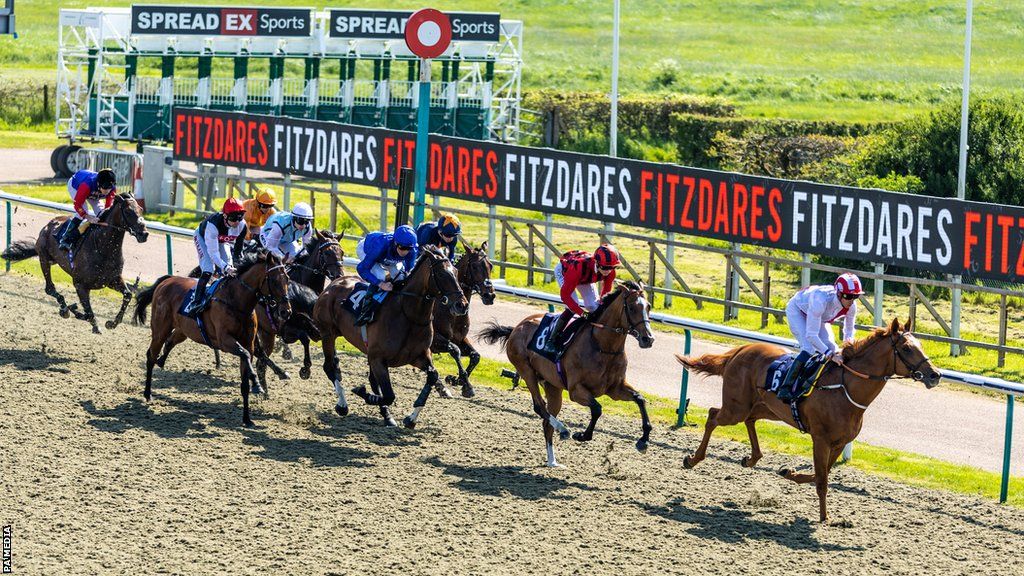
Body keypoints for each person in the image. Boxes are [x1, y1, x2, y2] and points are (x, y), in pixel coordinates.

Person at [778, 272, 863, 401]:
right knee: (809, 348)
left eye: (855, 296)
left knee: (832, 346)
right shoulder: (820, 300)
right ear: (839, 293)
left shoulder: (852, 306)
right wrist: (831, 355)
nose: (851, 301)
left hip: (819, 317)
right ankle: (785, 387)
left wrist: (847, 348)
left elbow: (849, 331)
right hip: (798, 311)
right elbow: (811, 335)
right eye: (848, 296)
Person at [541, 244, 620, 356]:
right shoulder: (577, 268)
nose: (609, 271)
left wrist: (601, 305)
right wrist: (582, 313)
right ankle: (551, 341)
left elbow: (605, 293)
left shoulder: (610, 272)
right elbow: (565, 296)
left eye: (612, 267)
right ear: (597, 263)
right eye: (606, 267)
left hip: (585, 276)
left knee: (593, 306)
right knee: (573, 306)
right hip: (566, 272)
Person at [185, 198, 249, 314]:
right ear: (225, 216)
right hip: (203, 239)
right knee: (209, 268)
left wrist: (234, 267)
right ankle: (195, 301)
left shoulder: (242, 226)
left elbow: (238, 252)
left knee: (230, 269)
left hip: (221, 240)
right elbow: (213, 253)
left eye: (240, 218)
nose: (237, 222)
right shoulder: (212, 225)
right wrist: (225, 267)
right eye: (233, 218)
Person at [354, 224, 418, 325]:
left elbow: (409, 270)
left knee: (400, 277)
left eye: (408, 249)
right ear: (396, 243)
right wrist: (380, 284)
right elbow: (362, 268)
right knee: (380, 276)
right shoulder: (380, 246)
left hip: (389, 256)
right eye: (402, 247)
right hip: (367, 249)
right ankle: (365, 311)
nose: (405, 252)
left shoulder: (412, 250)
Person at [59, 168, 118, 251]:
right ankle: (65, 239)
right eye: (105, 188)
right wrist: (87, 216)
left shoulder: (111, 189)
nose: (107, 191)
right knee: (83, 212)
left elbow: (107, 207)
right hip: (76, 185)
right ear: (98, 184)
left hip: (93, 191)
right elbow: (77, 205)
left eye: (109, 188)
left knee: (101, 212)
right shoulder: (86, 185)